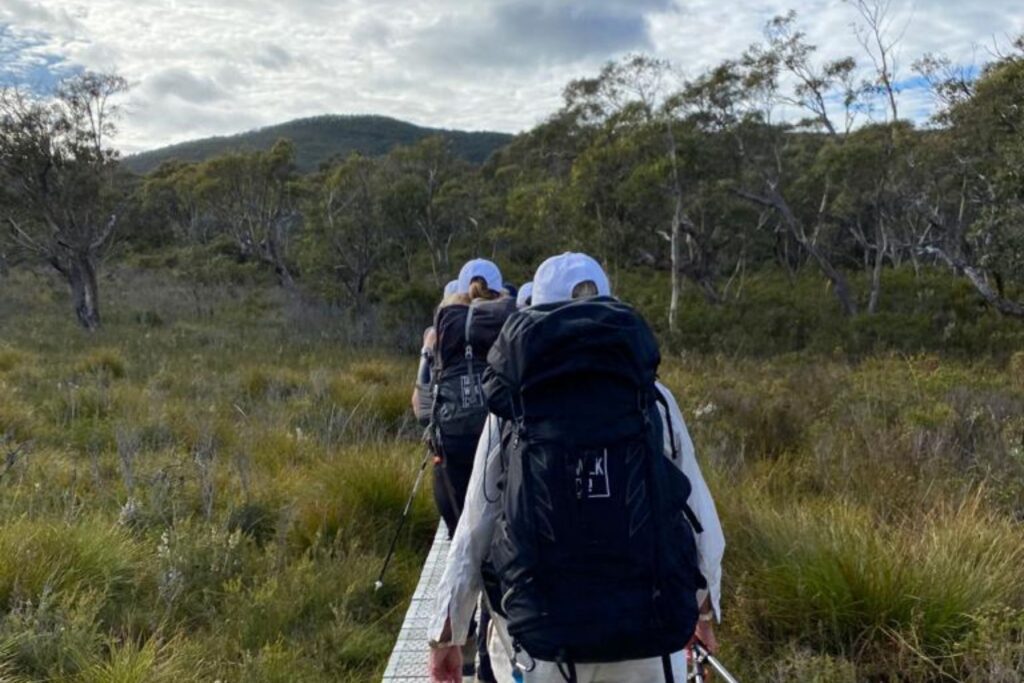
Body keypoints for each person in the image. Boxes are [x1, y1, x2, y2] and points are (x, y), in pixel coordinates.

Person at [428, 253, 725, 683]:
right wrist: (703, 612)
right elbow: (700, 521)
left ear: (533, 312)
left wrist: (447, 637)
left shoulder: (514, 403)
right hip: (648, 635)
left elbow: (475, 529)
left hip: (540, 640)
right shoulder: (652, 398)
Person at [429, 258, 516, 683]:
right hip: (497, 441)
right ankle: (487, 649)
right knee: (496, 548)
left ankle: (454, 641)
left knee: (463, 541)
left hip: (454, 451)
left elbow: (421, 403)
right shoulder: (508, 325)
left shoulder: (440, 329)